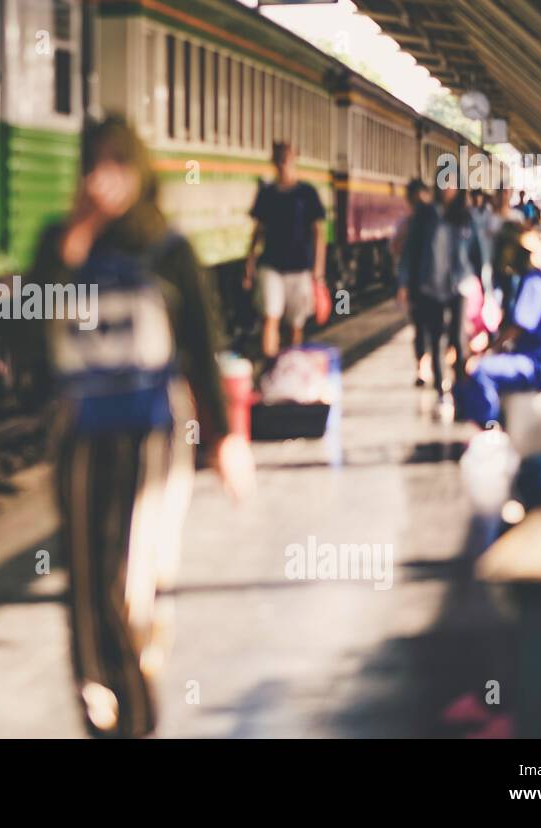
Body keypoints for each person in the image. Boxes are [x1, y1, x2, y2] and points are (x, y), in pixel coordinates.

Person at [30, 115, 254, 739]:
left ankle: (135, 715)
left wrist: (227, 439)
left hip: (152, 433)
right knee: (81, 576)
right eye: (94, 165)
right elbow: (24, 345)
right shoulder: (60, 245)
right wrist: (67, 256)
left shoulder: (169, 251)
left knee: (128, 577)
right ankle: (101, 704)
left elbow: (202, 351)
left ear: (139, 170)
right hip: (82, 430)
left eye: (117, 165)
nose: (105, 180)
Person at [457, 229, 541, 427]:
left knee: (480, 370)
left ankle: (489, 426)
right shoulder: (537, 280)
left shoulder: (534, 282)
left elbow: (519, 327)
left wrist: (489, 351)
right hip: (536, 357)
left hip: (540, 365)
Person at [397, 165, 490, 408]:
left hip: (459, 285)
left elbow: (478, 253)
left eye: (451, 183)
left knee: (459, 339)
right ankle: (441, 388)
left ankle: (459, 384)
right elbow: (411, 250)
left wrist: (486, 288)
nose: (446, 188)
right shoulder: (425, 215)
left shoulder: (467, 217)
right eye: (442, 182)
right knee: (436, 337)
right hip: (430, 285)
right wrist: (404, 282)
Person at [242, 141, 327, 366]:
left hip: (299, 267)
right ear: (274, 163)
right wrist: (249, 262)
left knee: (294, 325)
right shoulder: (267, 193)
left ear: (293, 161)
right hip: (271, 265)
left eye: (286, 160)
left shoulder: (307, 193)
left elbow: (319, 232)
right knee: (271, 316)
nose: (282, 165)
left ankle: (291, 365)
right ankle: (271, 364)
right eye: (278, 161)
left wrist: (318, 270)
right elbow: (258, 231)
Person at [393, 178, 433, 386]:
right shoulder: (408, 223)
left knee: (429, 327)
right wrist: (403, 284)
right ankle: (423, 366)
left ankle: (429, 365)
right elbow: (400, 251)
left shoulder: (438, 219)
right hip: (420, 283)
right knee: (421, 327)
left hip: (434, 282)